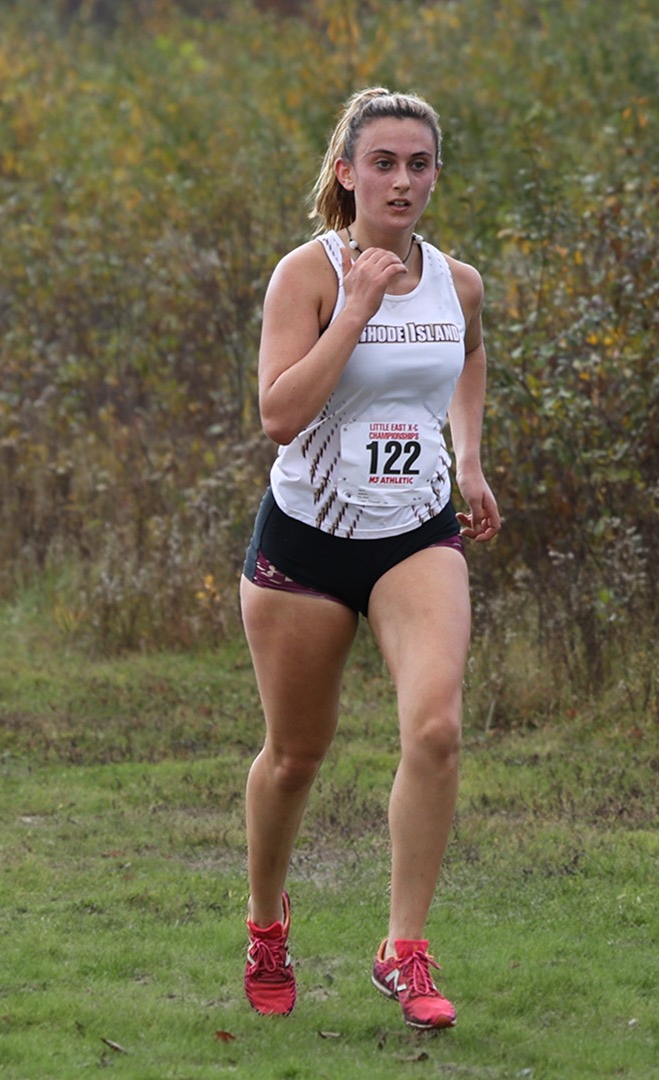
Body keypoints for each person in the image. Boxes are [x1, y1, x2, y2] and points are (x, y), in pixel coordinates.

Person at [238, 86, 501, 1031]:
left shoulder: (456, 280)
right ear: (346, 173)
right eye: (382, 163)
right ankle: (267, 926)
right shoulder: (304, 275)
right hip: (306, 542)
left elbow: (467, 355)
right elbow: (277, 415)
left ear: (435, 175)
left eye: (418, 164)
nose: (401, 180)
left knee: (434, 730)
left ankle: (404, 949)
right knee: (296, 756)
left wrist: (465, 458)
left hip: (415, 534)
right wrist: (353, 308)